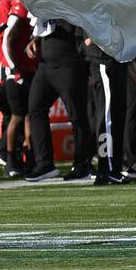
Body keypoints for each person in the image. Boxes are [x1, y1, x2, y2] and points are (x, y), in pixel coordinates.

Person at [26, 17, 94, 182]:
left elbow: (84, 31)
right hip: (45, 64)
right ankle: (45, 163)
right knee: (35, 109)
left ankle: (82, 164)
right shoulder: (48, 0)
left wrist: (87, 62)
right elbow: (45, 24)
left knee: (77, 115)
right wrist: (35, 39)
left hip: (68, 63)